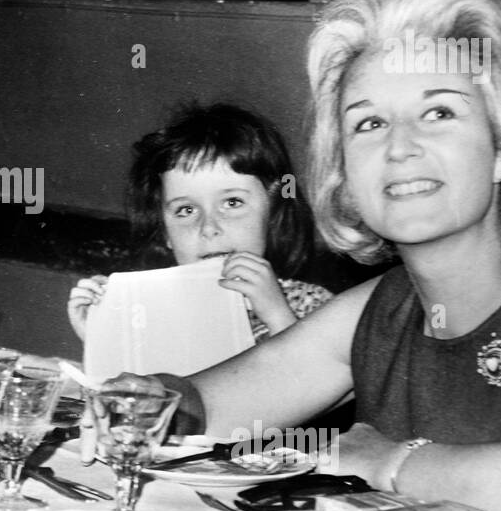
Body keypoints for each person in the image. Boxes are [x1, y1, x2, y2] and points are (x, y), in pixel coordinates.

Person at [88, 0, 501, 511]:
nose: (400, 147)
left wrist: (389, 461)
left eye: (439, 113)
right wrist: (145, 395)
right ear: (345, 174)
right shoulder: (381, 309)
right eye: (370, 123)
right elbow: (210, 404)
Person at [68, 102, 333, 344]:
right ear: (165, 233)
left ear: (273, 213)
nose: (208, 228)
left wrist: (278, 317)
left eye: (231, 203)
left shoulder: (310, 306)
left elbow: (320, 387)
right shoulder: (150, 314)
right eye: (186, 210)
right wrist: (102, 341)